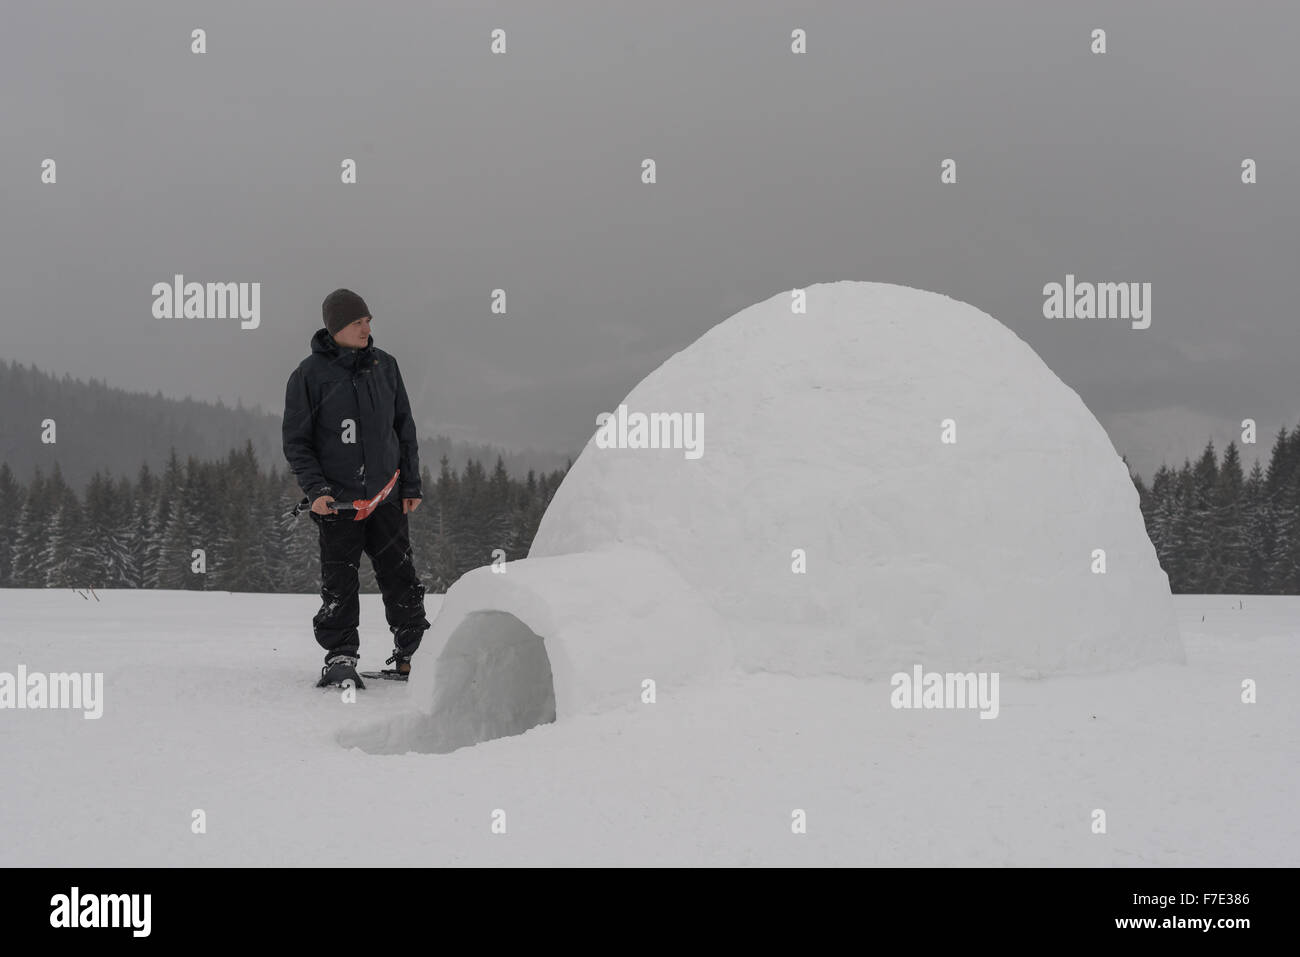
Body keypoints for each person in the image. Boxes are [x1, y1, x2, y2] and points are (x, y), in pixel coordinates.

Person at [282, 288, 430, 687]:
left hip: (387, 495)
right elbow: (298, 442)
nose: (367, 328)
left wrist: (410, 483)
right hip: (337, 503)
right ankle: (340, 656)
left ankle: (411, 653)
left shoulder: (386, 366)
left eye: (367, 321)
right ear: (336, 329)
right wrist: (317, 491)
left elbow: (404, 429)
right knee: (340, 582)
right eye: (357, 323)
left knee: (401, 575)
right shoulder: (308, 376)